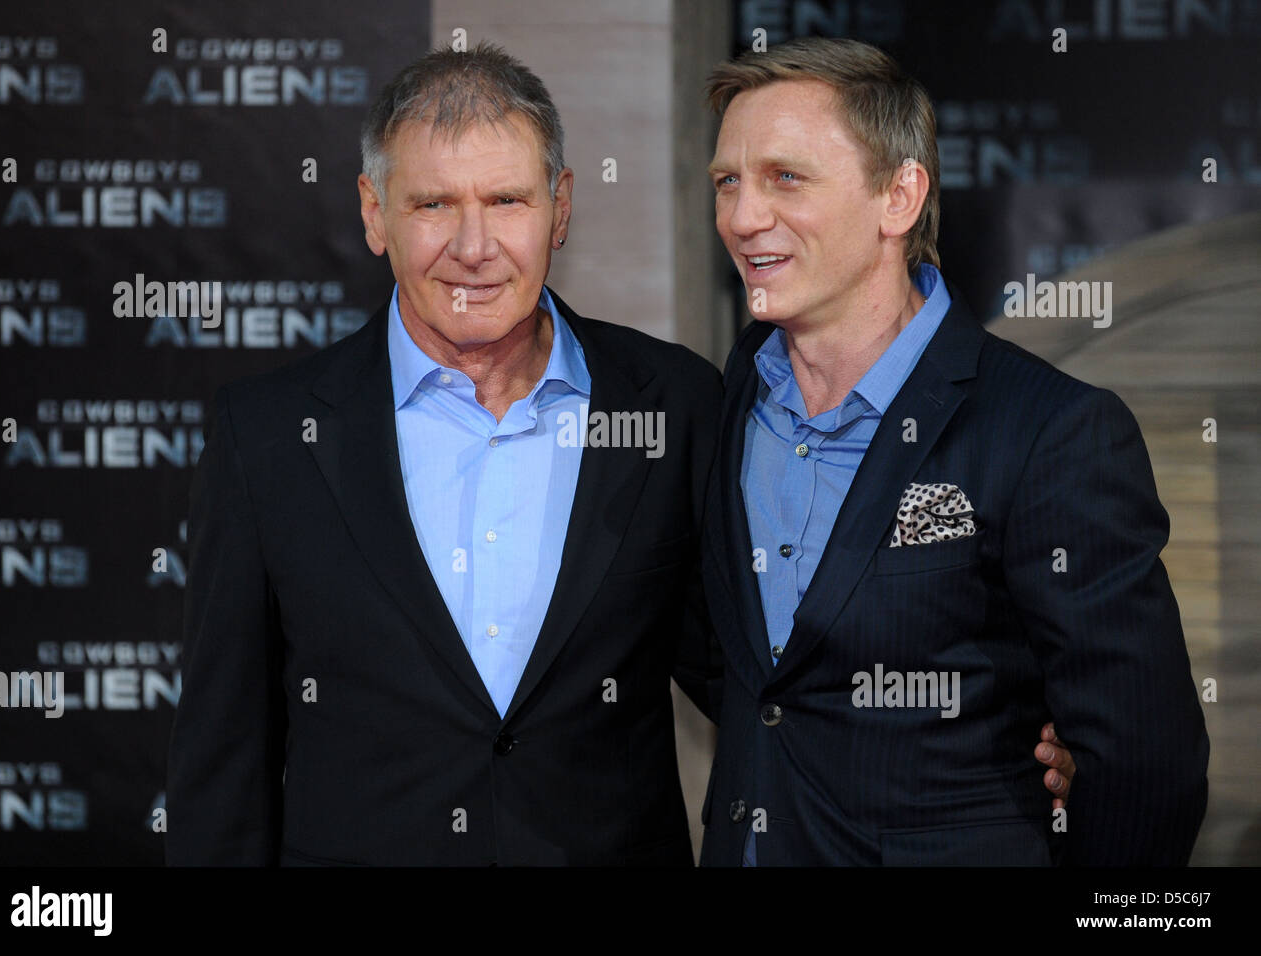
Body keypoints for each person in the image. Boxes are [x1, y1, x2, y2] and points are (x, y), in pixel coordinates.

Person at [164, 41, 1073, 867]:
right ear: (374, 213)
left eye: (507, 201)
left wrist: (992, 732)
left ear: (560, 208)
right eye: (433, 203)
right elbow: (221, 756)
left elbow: (762, 678)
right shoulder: (269, 434)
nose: (473, 248)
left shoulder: (676, 404)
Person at [696, 36, 1209, 866]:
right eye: (729, 181)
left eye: (785, 178)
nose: (744, 216)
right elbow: (752, 675)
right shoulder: (732, 400)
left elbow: (1145, 759)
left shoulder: (1050, 429)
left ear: (898, 197)